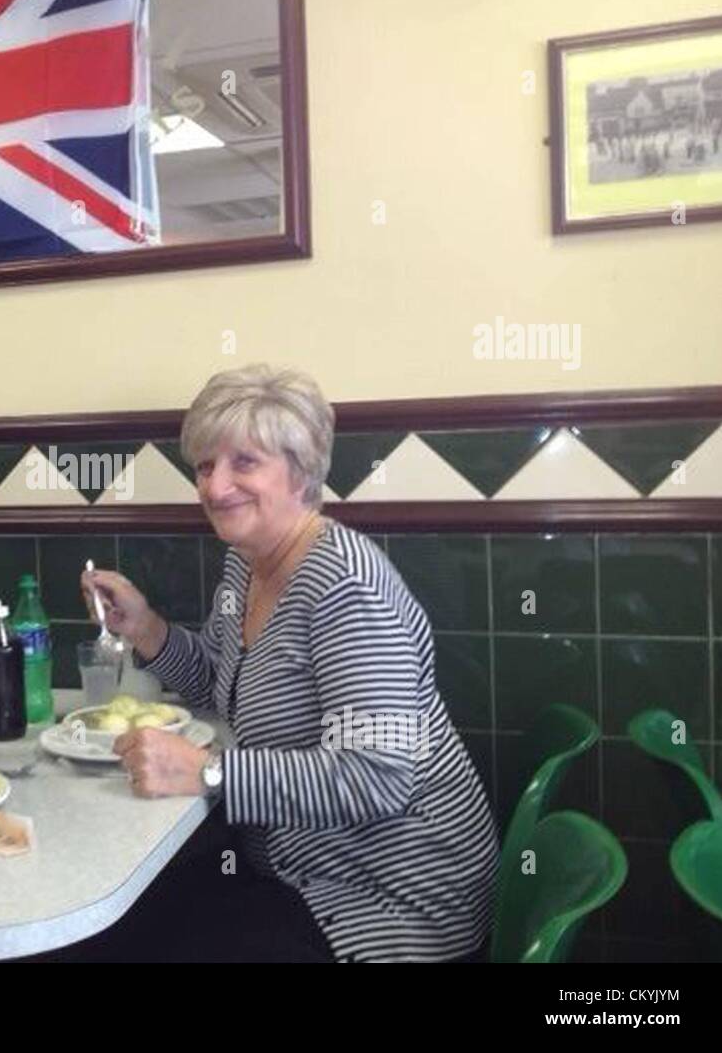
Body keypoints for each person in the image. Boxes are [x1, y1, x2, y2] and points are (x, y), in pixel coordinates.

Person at [81, 365, 498, 962]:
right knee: (125, 927)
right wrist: (144, 627)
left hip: (387, 899)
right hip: (295, 872)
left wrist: (210, 771)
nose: (215, 487)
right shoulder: (246, 564)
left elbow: (377, 776)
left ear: (301, 472)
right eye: (204, 466)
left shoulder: (346, 587)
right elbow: (219, 681)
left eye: (243, 463)